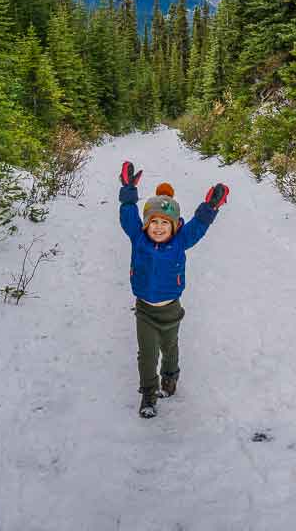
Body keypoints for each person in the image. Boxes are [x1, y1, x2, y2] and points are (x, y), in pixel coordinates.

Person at [118, 160, 228, 418]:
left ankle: (170, 377)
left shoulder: (180, 241)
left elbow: (198, 225)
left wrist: (210, 206)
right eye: (153, 221)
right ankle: (148, 394)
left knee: (170, 349)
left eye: (164, 223)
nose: (158, 227)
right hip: (144, 310)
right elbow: (127, 212)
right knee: (147, 355)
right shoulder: (138, 237)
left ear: (174, 225)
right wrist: (128, 191)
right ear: (146, 223)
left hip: (171, 309)